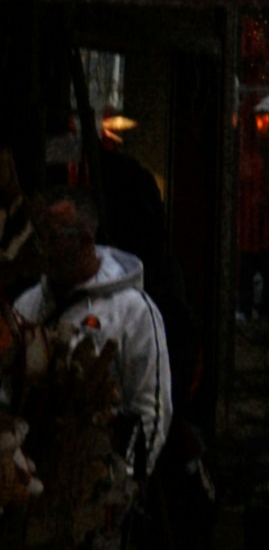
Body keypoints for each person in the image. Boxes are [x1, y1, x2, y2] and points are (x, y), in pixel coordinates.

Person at [13, 192, 175, 476]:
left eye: (52, 238)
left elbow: (152, 408)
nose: (42, 251)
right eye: (37, 238)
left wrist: (124, 481)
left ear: (85, 241)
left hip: (94, 476)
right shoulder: (27, 304)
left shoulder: (133, 311)